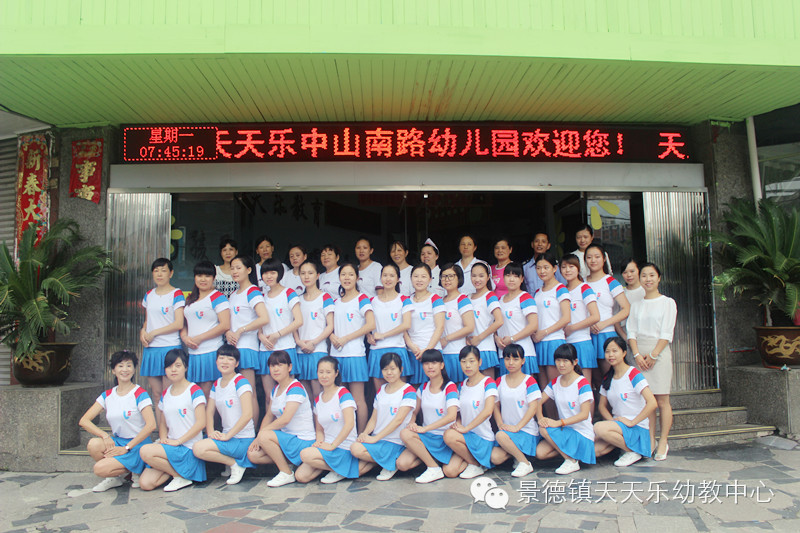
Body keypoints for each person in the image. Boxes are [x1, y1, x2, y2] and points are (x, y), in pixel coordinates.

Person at [79, 351, 157, 492]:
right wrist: (105, 435)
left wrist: (127, 448)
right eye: (120, 366)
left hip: (138, 445)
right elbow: (84, 421)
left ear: (134, 370)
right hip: (118, 441)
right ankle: (115, 478)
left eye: (129, 365)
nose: (125, 369)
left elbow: (151, 425)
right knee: (93, 444)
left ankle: (136, 471)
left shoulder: (140, 394)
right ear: (113, 370)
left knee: (99, 469)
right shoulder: (107, 395)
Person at [627, 262, 677, 461]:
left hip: (660, 353)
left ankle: (663, 440)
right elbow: (631, 332)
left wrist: (654, 355)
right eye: (644, 276)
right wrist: (637, 355)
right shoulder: (636, 305)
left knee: (662, 400)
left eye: (652, 275)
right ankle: (649, 440)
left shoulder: (668, 303)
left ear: (659, 278)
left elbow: (667, 332)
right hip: (639, 354)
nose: (648, 279)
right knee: (647, 401)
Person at [138, 349, 207, 491]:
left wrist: (178, 441)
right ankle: (179, 475)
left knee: (145, 451)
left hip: (188, 448)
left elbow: (201, 423)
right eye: (169, 366)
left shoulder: (194, 391)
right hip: (171, 447)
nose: (173, 370)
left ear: (185, 367)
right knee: (146, 483)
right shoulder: (166, 393)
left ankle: (181, 475)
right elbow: (163, 423)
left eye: (178, 365)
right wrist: (163, 439)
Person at [247, 351, 316, 487]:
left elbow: (285, 419)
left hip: (302, 440)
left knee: (265, 436)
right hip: (287, 439)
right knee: (253, 455)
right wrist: (258, 438)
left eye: (280, 365)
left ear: (289, 367)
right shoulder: (276, 389)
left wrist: (262, 434)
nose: (276, 369)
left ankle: (286, 473)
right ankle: (288, 465)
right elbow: (269, 415)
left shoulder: (295, 388)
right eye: (272, 366)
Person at [191, 345, 255, 485]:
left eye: (230, 359)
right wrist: (210, 432)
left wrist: (228, 436)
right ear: (216, 361)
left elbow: (248, 414)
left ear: (236, 364)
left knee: (198, 448)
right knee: (196, 445)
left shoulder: (241, 382)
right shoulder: (217, 384)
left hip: (243, 439)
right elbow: (209, 411)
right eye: (221, 358)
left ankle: (235, 465)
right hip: (227, 437)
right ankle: (232, 462)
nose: (225, 362)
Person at [350, 352, 417, 481]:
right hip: (379, 441)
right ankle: (388, 463)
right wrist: (365, 433)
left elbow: (399, 420)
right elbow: (374, 418)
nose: (389, 373)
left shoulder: (408, 390)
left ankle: (390, 463)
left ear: (401, 369)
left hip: (396, 442)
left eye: (392, 369)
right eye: (385, 369)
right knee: (355, 453)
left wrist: (375, 438)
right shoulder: (382, 389)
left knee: (402, 464)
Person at [397, 349, 460, 483]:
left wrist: (425, 428)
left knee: (451, 471)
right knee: (402, 463)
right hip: (427, 438)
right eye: (426, 363)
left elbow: (452, 416)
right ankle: (433, 466)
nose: (430, 366)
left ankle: (434, 463)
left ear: (442, 365)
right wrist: (412, 422)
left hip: (445, 438)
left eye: (434, 363)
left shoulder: (450, 387)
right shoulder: (423, 387)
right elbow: (414, 412)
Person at [594, 337, 657, 467]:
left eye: (614, 351)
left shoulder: (633, 374)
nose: (610, 355)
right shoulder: (608, 378)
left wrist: (632, 422)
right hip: (619, 427)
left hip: (636, 427)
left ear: (624, 353)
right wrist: (612, 421)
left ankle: (633, 450)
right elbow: (601, 407)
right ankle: (629, 449)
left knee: (598, 427)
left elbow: (652, 402)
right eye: (607, 352)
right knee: (594, 451)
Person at [295, 357, 359, 484]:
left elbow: (349, 424)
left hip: (343, 447)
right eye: (321, 372)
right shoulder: (318, 399)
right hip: (327, 447)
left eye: (328, 372)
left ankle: (342, 468)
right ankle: (340, 470)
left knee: (305, 454)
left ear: (336, 373)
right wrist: (319, 443)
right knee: (301, 476)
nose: (324, 376)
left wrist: (332, 445)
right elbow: (319, 429)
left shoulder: (343, 394)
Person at [535, 344, 595, 475]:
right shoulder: (555, 382)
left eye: (565, 361)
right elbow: (538, 401)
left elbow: (584, 414)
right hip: (566, 431)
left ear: (575, 362)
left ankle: (571, 460)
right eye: (558, 360)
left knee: (544, 430)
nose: (561, 364)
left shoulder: (582, 383)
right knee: (540, 453)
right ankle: (571, 454)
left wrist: (559, 423)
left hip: (582, 433)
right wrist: (540, 418)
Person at [330, 262, 375, 433]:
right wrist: (332, 336)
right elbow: (329, 325)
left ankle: (360, 434)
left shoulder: (362, 299)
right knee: (339, 399)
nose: (347, 278)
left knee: (358, 400)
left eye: (350, 274)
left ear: (357, 277)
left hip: (355, 355)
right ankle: (342, 435)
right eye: (343, 275)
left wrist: (346, 338)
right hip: (336, 355)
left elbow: (370, 324)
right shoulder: (335, 302)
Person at [225, 255, 270, 424]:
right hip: (232, 347)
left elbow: (264, 318)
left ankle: (252, 430)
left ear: (249, 270)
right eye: (232, 268)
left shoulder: (252, 291)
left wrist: (241, 330)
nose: (234, 271)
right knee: (235, 392)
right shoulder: (233, 294)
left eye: (238, 268)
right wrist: (229, 332)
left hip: (247, 347)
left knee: (248, 391)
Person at [443, 346, 498, 479]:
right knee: (450, 471)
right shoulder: (461, 386)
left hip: (482, 437)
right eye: (463, 362)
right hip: (466, 438)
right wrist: (458, 424)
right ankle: (476, 464)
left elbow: (488, 411)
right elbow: (460, 414)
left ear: (479, 362)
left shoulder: (488, 382)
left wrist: (466, 428)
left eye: (471, 361)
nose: (467, 365)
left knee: (449, 435)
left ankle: (476, 464)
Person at [181, 260, 231, 397]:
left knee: (208, 394)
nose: (203, 279)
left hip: (211, 352)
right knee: (195, 395)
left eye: (207, 276)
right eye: (199, 275)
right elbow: (184, 324)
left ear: (214, 278)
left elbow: (225, 325)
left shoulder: (218, 297)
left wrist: (199, 338)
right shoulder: (190, 299)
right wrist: (185, 338)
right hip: (193, 353)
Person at [492, 344, 542, 478]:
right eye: (507, 359)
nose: (511, 363)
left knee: (500, 436)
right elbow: (495, 405)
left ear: (523, 361)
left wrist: (517, 427)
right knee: (495, 457)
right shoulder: (500, 381)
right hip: (507, 431)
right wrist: (500, 423)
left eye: (515, 359)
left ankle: (524, 463)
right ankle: (519, 454)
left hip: (526, 430)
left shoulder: (529, 381)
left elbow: (533, 407)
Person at [140, 257, 185, 402]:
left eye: (163, 271)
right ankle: (160, 419)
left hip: (169, 347)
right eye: (156, 271)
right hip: (152, 349)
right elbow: (147, 321)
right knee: (156, 394)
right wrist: (143, 331)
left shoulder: (176, 294)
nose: (159, 274)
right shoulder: (149, 295)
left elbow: (179, 323)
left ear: (171, 273)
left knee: (169, 394)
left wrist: (154, 333)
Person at [258, 258, 303, 399]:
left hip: (285, 347)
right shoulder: (262, 297)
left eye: (273, 272)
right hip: (266, 349)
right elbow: (259, 322)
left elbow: (298, 321)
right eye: (266, 273)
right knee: (269, 396)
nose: (269, 276)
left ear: (280, 274)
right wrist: (260, 336)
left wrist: (277, 334)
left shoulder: (289, 293)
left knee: (288, 394)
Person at [585, 244, 630, 382]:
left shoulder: (610, 281)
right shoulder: (582, 282)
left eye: (597, 257)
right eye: (589, 257)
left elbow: (626, 309)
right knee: (595, 381)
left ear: (604, 259)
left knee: (611, 378)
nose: (593, 260)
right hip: (586, 335)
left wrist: (604, 324)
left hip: (606, 334)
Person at [367, 264, 412, 393]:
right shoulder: (372, 301)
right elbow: (365, 324)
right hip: (377, 350)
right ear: (380, 278)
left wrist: (383, 335)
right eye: (385, 275)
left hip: (397, 348)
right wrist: (368, 335)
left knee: (400, 394)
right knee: (380, 394)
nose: (388, 279)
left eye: (392, 275)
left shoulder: (404, 300)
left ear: (398, 279)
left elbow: (406, 324)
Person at [294, 259, 334, 398]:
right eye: (303, 273)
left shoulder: (325, 297)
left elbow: (330, 326)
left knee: (319, 393)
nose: (306, 276)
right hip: (300, 351)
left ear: (317, 275)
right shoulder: (297, 299)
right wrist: (298, 342)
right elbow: (293, 324)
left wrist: (314, 342)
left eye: (310, 273)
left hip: (318, 350)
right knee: (305, 395)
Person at [560, 254, 600, 384]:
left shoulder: (584, 288)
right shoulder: (561, 290)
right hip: (565, 344)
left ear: (578, 268)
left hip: (582, 342)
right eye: (564, 267)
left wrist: (572, 328)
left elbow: (595, 316)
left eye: (571, 266)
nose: (567, 270)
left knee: (584, 386)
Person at [532, 253, 571, 386]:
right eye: (538, 268)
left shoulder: (561, 289)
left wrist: (545, 332)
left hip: (554, 341)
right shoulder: (537, 292)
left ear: (554, 268)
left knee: (556, 386)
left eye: (546, 267)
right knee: (544, 387)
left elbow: (566, 318)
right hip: (539, 342)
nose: (542, 271)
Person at [404, 263, 445, 385]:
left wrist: (427, 350)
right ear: (411, 278)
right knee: (414, 389)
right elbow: (403, 327)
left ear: (430, 279)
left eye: (423, 276)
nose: (419, 280)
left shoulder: (436, 299)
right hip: (413, 352)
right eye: (416, 276)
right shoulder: (406, 301)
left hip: (432, 352)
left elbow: (440, 327)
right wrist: (411, 345)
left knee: (434, 388)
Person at [495, 262, 539, 377]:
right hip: (504, 354)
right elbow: (495, 325)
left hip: (523, 353)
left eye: (515, 276)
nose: (511, 279)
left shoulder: (525, 298)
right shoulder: (500, 300)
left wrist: (512, 339)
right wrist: (496, 338)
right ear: (503, 278)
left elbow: (533, 325)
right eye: (508, 275)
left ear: (522, 279)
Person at [439, 263, 475, 384]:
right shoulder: (440, 301)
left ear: (459, 278)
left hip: (457, 353)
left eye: (451, 276)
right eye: (444, 276)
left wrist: (446, 339)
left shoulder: (462, 300)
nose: (447, 279)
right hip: (442, 353)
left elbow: (469, 327)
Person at [467, 262, 503, 377]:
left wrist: (479, 338)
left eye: (481, 276)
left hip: (485, 347)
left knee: (487, 384)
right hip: (470, 348)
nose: (477, 279)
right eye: (474, 276)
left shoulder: (490, 296)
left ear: (488, 277)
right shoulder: (468, 297)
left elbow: (499, 321)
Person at [615, 258, 645, 341]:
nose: (629, 275)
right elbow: (616, 319)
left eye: (632, 271)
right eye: (625, 272)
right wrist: (625, 338)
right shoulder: (620, 293)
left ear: (639, 270)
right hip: (626, 335)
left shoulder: (646, 291)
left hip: (644, 336)